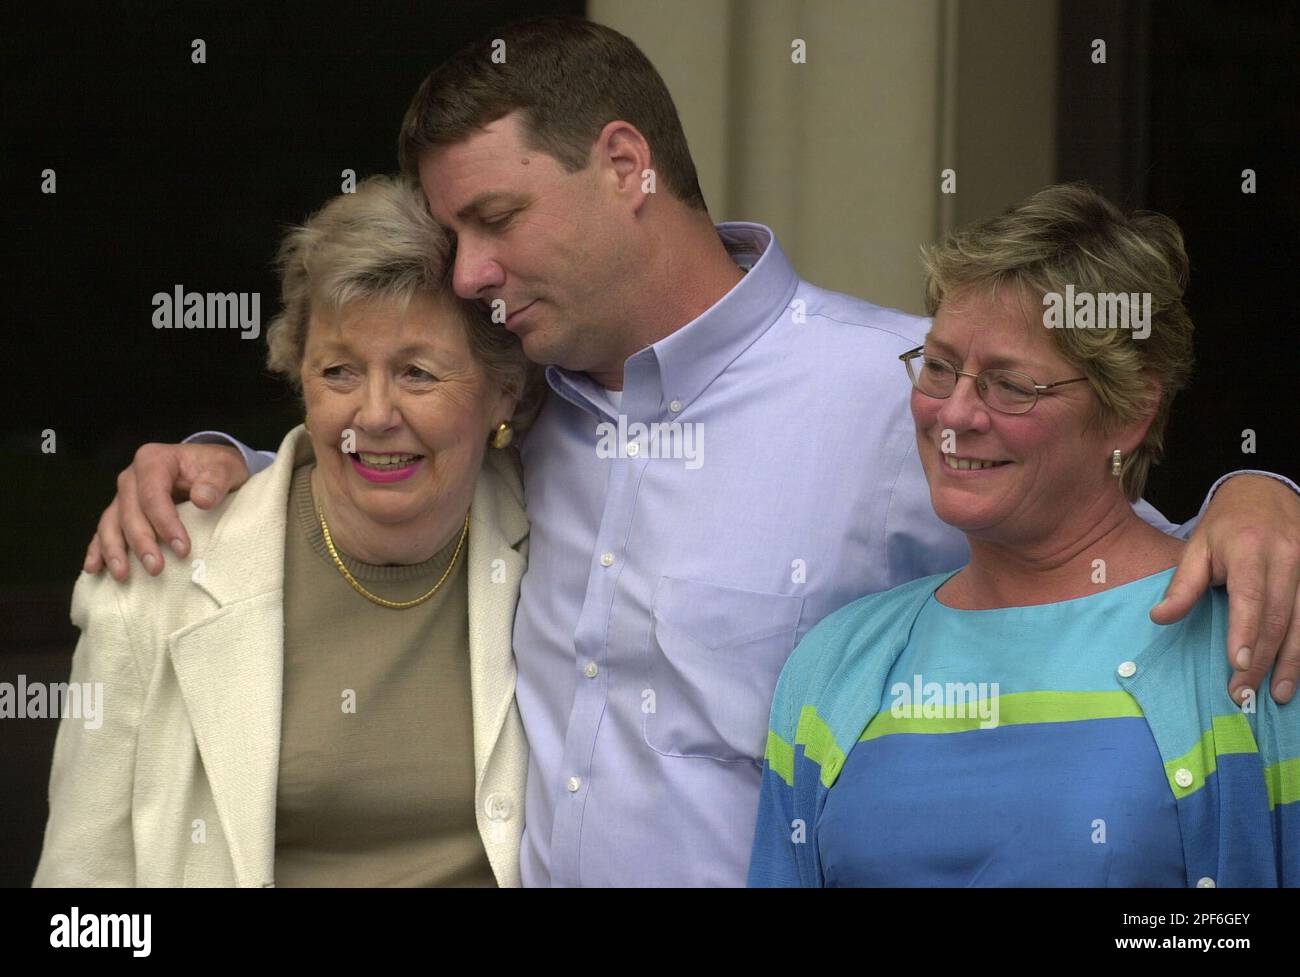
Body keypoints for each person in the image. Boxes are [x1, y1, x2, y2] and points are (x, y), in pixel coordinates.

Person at [79, 18, 1300, 887]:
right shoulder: (520, 404)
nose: (467, 275)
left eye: (495, 220)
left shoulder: (894, 390)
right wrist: (209, 458)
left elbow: (1106, 549)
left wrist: (1258, 496)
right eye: (451, 234)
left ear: (624, 165)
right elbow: (378, 432)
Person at [749, 184, 1298, 887]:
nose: (954, 413)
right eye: (940, 366)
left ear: (1128, 412)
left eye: (1010, 386)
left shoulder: (1250, 634)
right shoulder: (837, 663)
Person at [35, 176, 542, 887]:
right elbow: (77, 902)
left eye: (417, 373)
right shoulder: (157, 574)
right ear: (299, 375)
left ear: (504, 391)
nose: (373, 413)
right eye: (339, 370)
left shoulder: (563, 544)